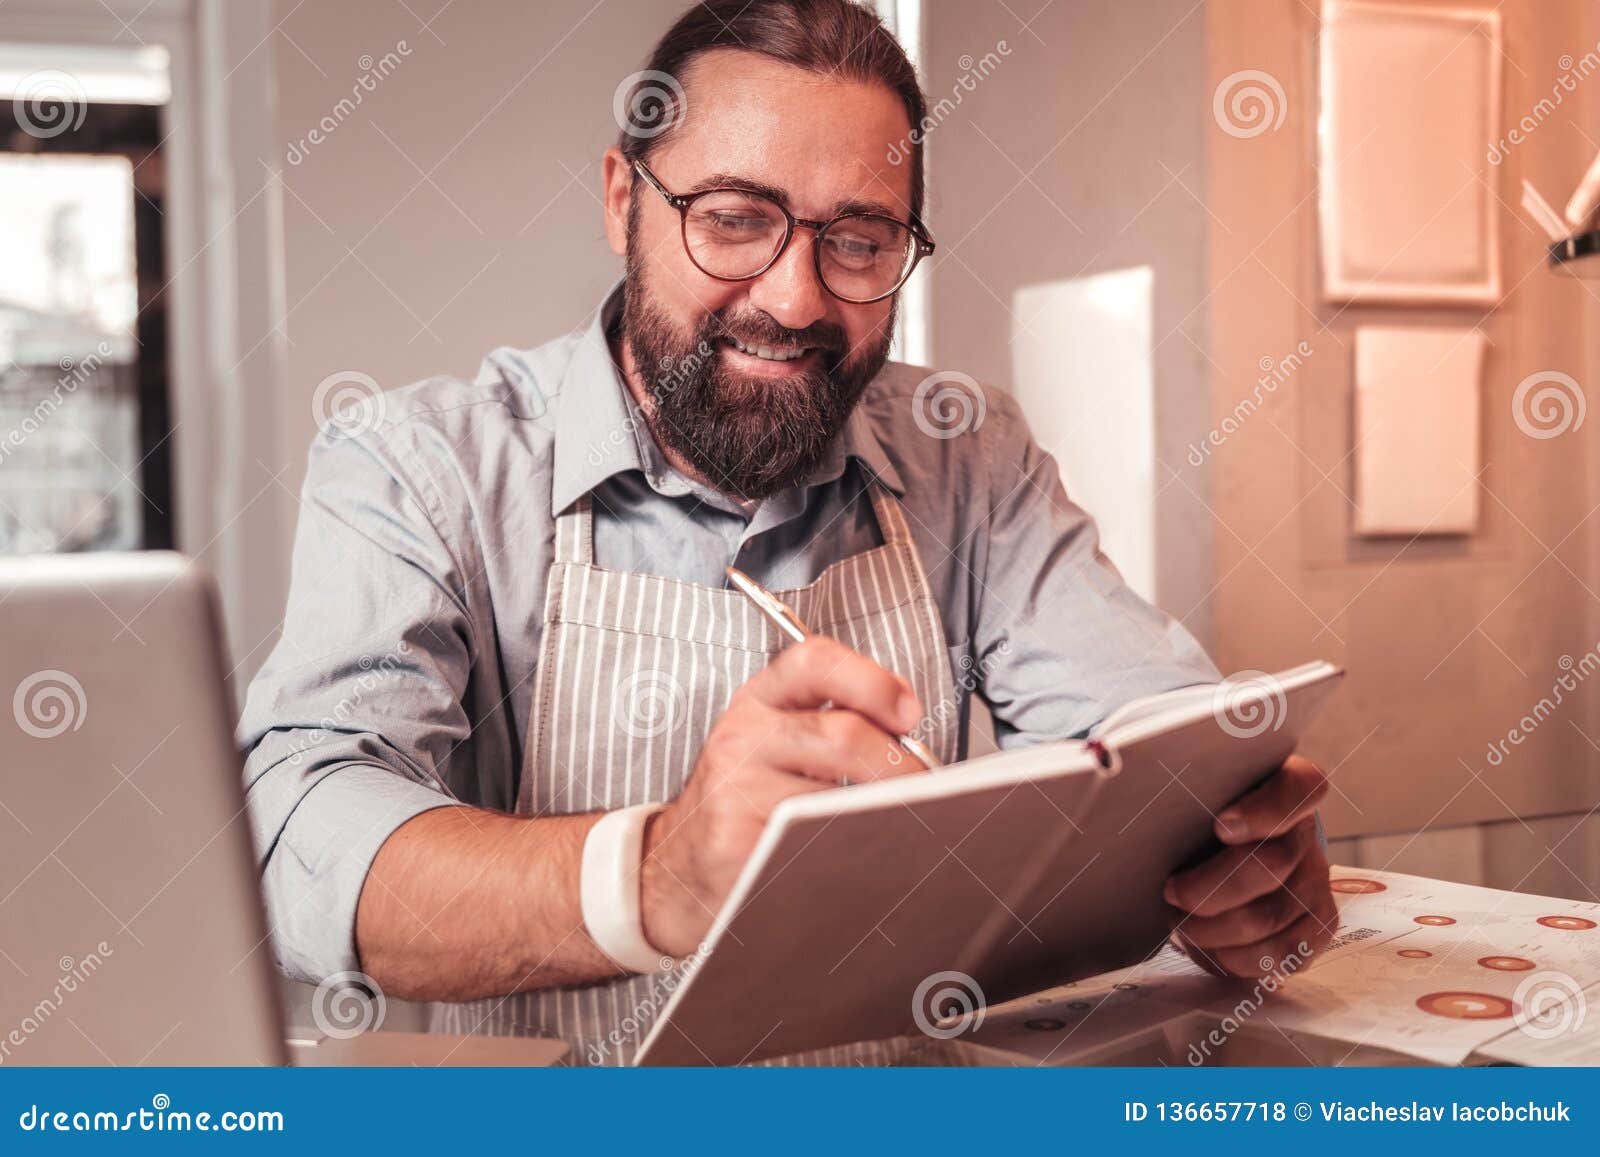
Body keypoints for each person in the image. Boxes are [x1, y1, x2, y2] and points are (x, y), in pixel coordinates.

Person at [239, 0, 1335, 1065]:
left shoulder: (967, 452)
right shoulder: (422, 464)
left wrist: (1229, 856)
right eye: (731, 219)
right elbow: (298, 833)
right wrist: (659, 871)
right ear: (623, 197)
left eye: (859, 241)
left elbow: (1153, 739)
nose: (795, 296)